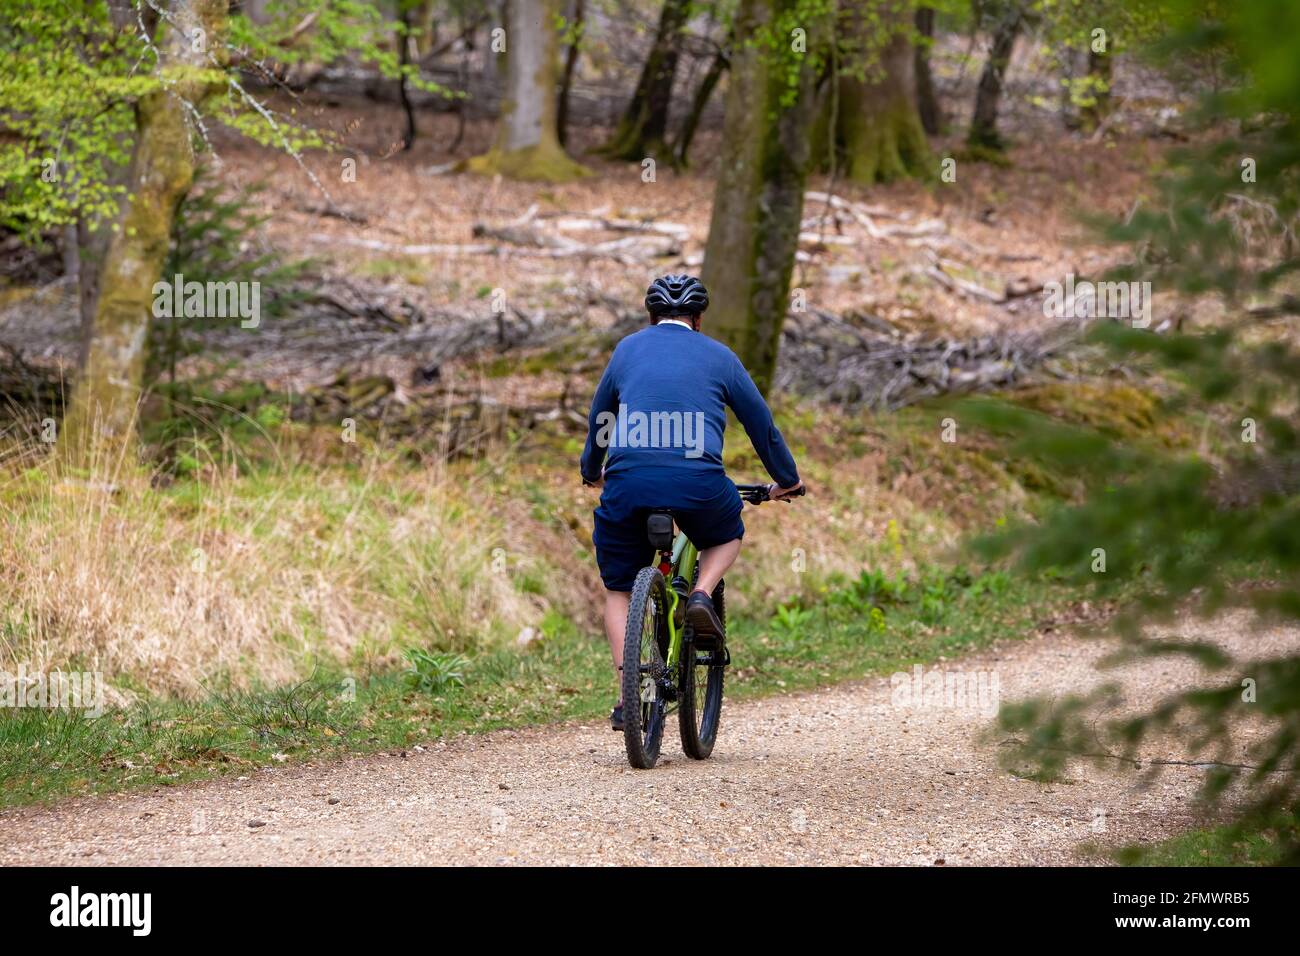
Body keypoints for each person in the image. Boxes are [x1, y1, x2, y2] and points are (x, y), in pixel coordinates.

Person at [580, 274, 804, 731]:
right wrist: (786, 479)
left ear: (650, 316)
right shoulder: (720, 357)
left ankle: (631, 693)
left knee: (620, 591)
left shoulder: (627, 350)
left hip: (627, 483)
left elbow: (602, 416)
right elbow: (762, 425)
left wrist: (591, 470)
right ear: (698, 320)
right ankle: (701, 593)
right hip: (698, 483)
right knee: (725, 535)